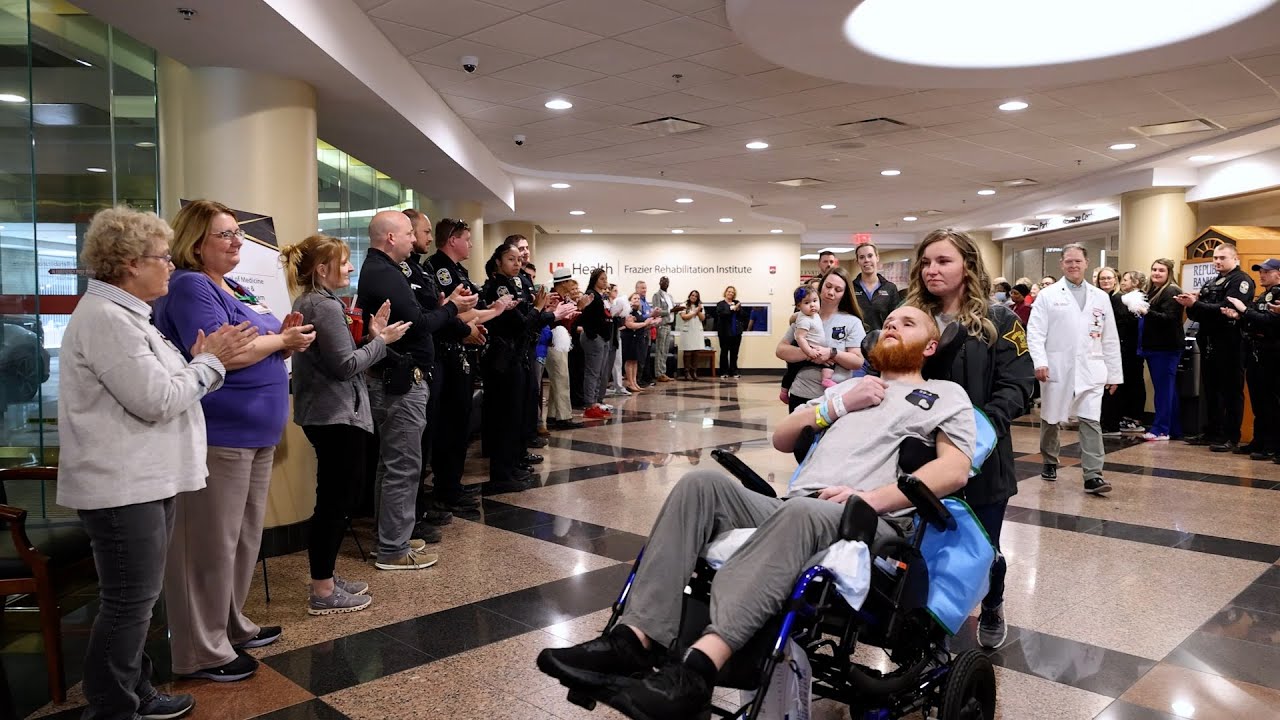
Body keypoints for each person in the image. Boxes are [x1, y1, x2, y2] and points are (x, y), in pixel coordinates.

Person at [536, 307, 977, 719]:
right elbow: (782, 437)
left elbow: (955, 469)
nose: (893, 326)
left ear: (930, 346)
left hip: (863, 521)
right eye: (890, 321)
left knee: (800, 511)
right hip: (795, 507)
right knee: (698, 485)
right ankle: (633, 638)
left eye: (908, 323)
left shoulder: (945, 394)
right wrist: (839, 404)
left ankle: (699, 669)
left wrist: (869, 499)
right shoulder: (849, 387)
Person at [59, 207, 255, 720]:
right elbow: (157, 399)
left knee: (138, 601)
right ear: (129, 263)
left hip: (145, 479)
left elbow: (165, 386)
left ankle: (137, 690)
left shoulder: (129, 316)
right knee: (129, 602)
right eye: (162, 258)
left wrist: (200, 363)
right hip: (123, 485)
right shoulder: (107, 320)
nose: (171, 265)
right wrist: (209, 361)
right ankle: (112, 707)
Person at [153, 200, 312, 681]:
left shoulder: (234, 286)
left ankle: (229, 623)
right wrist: (280, 343)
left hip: (257, 431)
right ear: (195, 242)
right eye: (224, 234)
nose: (236, 241)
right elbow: (228, 352)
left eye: (237, 233)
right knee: (208, 544)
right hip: (219, 432)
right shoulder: (190, 285)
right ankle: (200, 650)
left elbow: (255, 340)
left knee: (242, 538)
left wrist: (280, 337)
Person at [904, 228, 1034, 650]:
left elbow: (1019, 384)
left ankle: (992, 603)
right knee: (923, 547)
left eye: (943, 261)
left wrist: (980, 426)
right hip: (920, 454)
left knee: (982, 547)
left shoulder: (1000, 321)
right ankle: (929, 629)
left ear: (969, 266)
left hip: (983, 456)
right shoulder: (910, 317)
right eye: (926, 262)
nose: (932, 270)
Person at [284, 234, 411, 615]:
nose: (351, 267)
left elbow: (340, 356)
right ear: (322, 269)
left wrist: (371, 338)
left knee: (337, 499)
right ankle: (323, 590)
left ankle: (326, 577)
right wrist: (382, 341)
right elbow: (345, 366)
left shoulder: (315, 302)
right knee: (335, 502)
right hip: (335, 416)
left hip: (331, 414)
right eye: (343, 262)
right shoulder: (322, 306)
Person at [356, 210, 476, 570]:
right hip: (401, 381)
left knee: (392, 465)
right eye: (409, 233)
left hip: (399, 378)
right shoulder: (383, 272)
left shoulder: (388, 269)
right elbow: (419, 323)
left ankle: (391, 537)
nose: (414, 239)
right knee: (403, 466)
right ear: (391, 237)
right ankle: (393, 547)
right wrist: (452, 308)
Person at [425, 216, 517, 513]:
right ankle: (445, 489)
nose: (471, 244)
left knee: (459, 424)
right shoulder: (439, 269)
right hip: (446, 354)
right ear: (453, 240)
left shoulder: (458, 271)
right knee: (449, 425)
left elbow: (471, 312)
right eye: (467, 239)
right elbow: (453, 315)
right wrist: (471, 326)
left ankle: (453, 485)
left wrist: (493, 312)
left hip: (462, 354)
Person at [1028, 243, 1123, 496]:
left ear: (1086, 263)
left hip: (1092, 366)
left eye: (1078, 261)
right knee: (1051, 416)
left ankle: (1093, 475)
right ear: (1061, 264)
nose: (1073, 265)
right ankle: (1050, 460)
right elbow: (1035, 332)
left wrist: (1114, 373)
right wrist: (1040, 361)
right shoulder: (1048, 295)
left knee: (1091, 419)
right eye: (1068, 261)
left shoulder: (1100, 297)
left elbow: (1109, 337)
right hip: (1056, 365)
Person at [479, 242, 576, 490]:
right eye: (511, 259)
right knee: (506, 418)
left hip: (518, 355)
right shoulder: (500, 287)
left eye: (518, 260)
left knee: (516, 416)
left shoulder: (513, 284)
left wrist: (544, 311)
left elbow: (528, 319)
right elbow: (521, 323)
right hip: (505, 358)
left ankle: (512, 466)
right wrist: (544, 311)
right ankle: (502, 474)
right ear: (498, 262)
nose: (517, 263)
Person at [1177, 243, 1255, 452]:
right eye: (1215, 258)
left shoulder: (1240, 280)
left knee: (1231, 391)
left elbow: (1226, 309)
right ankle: (1213, 431)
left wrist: (1197, 304)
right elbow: (1197, 314)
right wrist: (1191, 304)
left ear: (1235, 259)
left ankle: (1231, 436)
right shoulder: (1212, 281)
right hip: (1209, 341)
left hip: (1230, 343)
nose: (1217, 261)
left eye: (1222, 258)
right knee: (1211, 389)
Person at [775, 268, 866, 411]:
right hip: (800, 395)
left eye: (838, 290)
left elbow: (857, 361)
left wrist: (831, 353)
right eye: (828, 286)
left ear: (845, 294)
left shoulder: (852, 322)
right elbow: (781, 350)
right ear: (820, 286)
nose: (831, 292)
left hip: (835, 399)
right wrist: (810, 353)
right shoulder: (803, 316)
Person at [1222, 258, 1280, 459]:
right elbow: (1254, 321)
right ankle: (1259, 441)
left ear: (1278, 273)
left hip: (1272, 352)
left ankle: (1271, 445)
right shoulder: (1264, 295)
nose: (1261, 275)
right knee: (1258, 400)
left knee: (1270, 401)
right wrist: (1239, 317)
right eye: (1260, 271)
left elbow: (1271, 322)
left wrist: (1244, 310)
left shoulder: (1278, 295)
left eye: (1267, 271)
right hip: (1256, 351)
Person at [1136, 260, 1184, 442]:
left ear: (1169, 272)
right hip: (1155, 347)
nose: (1156, 273)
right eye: (1154, 269)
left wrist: (1146, 312)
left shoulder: (1171, 291)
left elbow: (1169, 318)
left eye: (1161, 270)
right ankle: (1173, 428)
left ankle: (1161, 429)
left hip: (1166, 348)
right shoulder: (1152, 291)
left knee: (1164, 390)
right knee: (1167, 389)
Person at [546, 269, 585, 430]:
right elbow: (553, 319)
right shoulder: (554, 299)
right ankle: (564, 416)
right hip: (553, 341)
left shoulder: (562, 298)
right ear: (563, 283)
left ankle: (552, 415)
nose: (572, 285)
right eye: (569, 282)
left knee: (557, 380)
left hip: (560, 340)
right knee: (561, 378)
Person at [579, 268, 614, 417]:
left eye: (606, 278)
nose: (605, 281)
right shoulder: (590, 295)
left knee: (600, 372)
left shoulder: (602, 296)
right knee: (592, 373)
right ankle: (589, 404)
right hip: (594, 338)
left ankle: (596, 401)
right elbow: (585, 316)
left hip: (604, 338)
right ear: (595, 280)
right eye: (602, 279)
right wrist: (593, 335)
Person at [851, 243, 901, 332]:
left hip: (882, 337)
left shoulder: (890, 288)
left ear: (877, 258)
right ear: (857, 261)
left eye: (870, 256)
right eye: (862, 257)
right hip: (856, 338)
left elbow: (896, 318)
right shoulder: (850, 287)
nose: (866, 260)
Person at [791, 286, 834, 388]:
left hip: (816, 347)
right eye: (807, 303)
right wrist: (809, 352)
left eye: (815, 301)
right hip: (810, 349)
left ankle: (826, 379)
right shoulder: (804, 320)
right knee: (830, 363)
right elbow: (800, 337)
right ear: (798, 306)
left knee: (830, 360)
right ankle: (826, 379)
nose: (812, 305)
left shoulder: (814, 315)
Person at [622, 292, 657, 392]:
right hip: (630, 338)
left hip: (639, 338)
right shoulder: (628, 311)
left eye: (638, 299)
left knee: (635, 361)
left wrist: (651, 323)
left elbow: (641, 324)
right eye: (634, 298)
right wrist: (645, 323)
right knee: (630, 360)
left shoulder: (638, 312)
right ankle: (630, 383)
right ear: (630, 301)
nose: (637, 300)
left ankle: (634, 382)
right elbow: (630, 325)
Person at [715, 286, 751, 378]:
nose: (730, 293)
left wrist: (738, 309)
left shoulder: (737, 303)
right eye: (729, 291)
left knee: (734, 353)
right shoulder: (720, 304)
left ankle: (734, 371)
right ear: (725, 292)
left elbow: (743, 315)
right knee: (724, 352)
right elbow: (722, 314)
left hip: (736, 332)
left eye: (732, 292)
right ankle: (724, 372)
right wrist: (731, 309)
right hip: (724, 333)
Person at [650, 276, 676, 382]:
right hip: (661, 325)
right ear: (659, 283)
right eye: (663, 281)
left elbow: (672, 309)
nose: (665, 283)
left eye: (666, 281)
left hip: (669, 325)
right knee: (660, 350)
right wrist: (670, 311)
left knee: (665, 350)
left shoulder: (669, 296)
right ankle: (659, 373)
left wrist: (676, 309)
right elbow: (657, 311)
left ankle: (663, 372)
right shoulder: (656, 295)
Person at [678, 289, 706, 380]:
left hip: (697, 331)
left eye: (696, 296)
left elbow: (702, 318)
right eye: (692, 295)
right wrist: (694, 312)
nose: (694, 297)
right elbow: (684, 317)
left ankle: (694, 372)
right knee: (687, 352)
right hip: (687, 331)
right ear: (689, 296)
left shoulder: (700, 306)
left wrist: (698, 311)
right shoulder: (684, 305)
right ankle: (686, 372)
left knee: (696, 352)